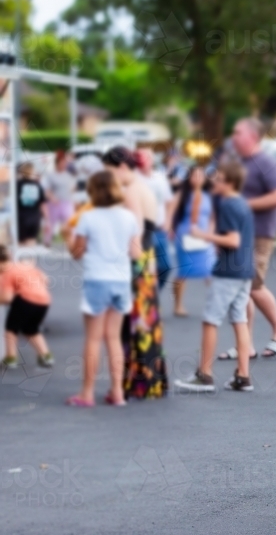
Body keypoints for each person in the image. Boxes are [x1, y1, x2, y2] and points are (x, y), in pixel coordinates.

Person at [174, 161, 256, 393]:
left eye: (218, 178)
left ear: (229, 182)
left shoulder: (229, 205)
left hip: (228, 271)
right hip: (244, 270)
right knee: (239, 319)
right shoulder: (242, 204)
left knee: (211, 320)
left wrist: (205, 235)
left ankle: (205, 374)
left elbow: (233, 240)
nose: (214, 182)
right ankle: (243, 375)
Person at [66, 171, 141, 407]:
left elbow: (77, 253)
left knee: (93, 338)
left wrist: (69, 237)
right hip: (121, 281)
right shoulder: (128, 217)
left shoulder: (88, 218)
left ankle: (87, 393)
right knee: (114, 338)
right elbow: (136, 253)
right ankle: (117, 392)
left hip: (97, 280)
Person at [103, 146, 168, 400]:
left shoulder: (130, 191)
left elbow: (136, 232)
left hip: (137, 262)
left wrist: (128, 264)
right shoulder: (143, 186)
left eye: (109, 171)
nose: (109, 177)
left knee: (134, 325)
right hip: (147, 259)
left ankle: (138, 383)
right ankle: (149, 381)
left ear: (121, 166)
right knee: (146, 323)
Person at [224, 118, 276, 360]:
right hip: (239, 233)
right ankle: (246, 344)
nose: (233, 136)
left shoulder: (266, 162)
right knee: (241, 288)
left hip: (260, 232)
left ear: (252, 136)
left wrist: (242, 204)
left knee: (253, 285)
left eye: (238, 132)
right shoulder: (238, 162)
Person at [168, 166, 214, 317]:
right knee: (183, 271)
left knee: (211, 269)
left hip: (205, 234)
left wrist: (211, 233)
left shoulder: (209, 195)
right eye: (195, 176)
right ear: (189, 178)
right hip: (186, 234)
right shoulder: (183, 194)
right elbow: (170, 211)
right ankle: (178, 305)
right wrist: (169, 228)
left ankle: (217, 303)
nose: (198, 179)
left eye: (201, 175)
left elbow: (214, 217)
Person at [0, 245, 53, 367]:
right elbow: (46, 280)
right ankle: (46, 356)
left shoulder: (7, 273)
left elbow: (7, 298)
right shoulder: (24, 265)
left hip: (26, 300)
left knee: (11, 329)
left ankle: (11, 358)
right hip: (43, 301)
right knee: (31, 329)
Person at [137, 149, 174, 290]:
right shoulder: (135, 178)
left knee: (165, 267)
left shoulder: (160, 177)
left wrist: (169, 220)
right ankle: (146, 299)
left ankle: (153, 293)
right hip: (143, 231)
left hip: (159, 229)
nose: (145, 162)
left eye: (148, 158)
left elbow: (169, 201)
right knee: (145, 269)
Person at [42, 151, 76, 246]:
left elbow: (72, 189)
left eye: (65, 163)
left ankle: (72, 241)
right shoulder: (51, 176)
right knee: (50, 223)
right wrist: (52, 198)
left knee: (70, 223)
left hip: (67, 202)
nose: (63, 165)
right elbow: (46, 190)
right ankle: (47, 241)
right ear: (57, 164)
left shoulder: (69, 176)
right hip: (54, 203)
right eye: (61, 163)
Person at [16, 162, 46, 246]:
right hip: (34, 218)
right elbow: (42, 204)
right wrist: (47, 220)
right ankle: (30, 259)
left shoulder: (17, 185)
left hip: (21, 218)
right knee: (31, 245)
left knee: (20, 246)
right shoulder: (37, 185)